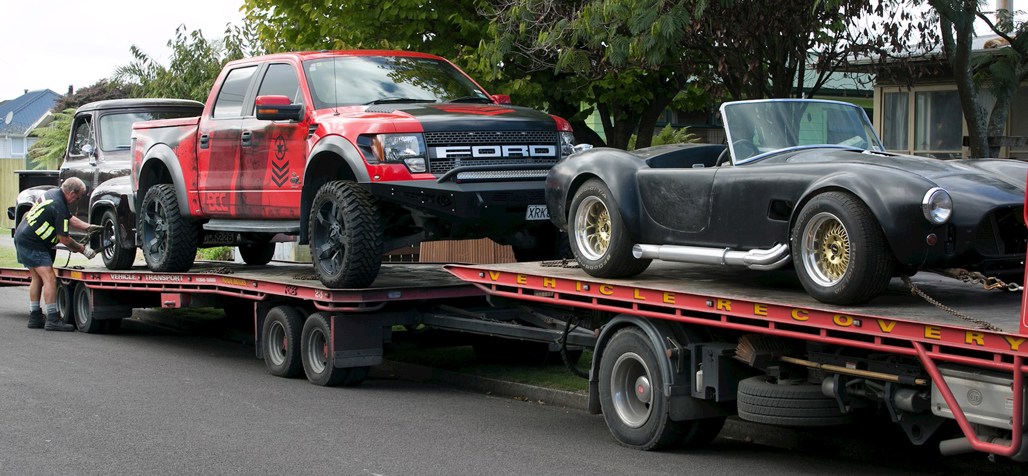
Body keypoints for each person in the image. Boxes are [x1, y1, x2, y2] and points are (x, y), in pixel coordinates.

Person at [14, 177, 101, 331]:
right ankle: (53, 319)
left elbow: (68, 217)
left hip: (24, 236)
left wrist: (87, 227)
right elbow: (65, 239)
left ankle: (34, 317)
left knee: (37, 278)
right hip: (33, 243)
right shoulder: (58, 205)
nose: (77, 200)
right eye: (79, 197)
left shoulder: (53, 194)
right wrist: (84, 250)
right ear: (72, 193)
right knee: (49, 278)